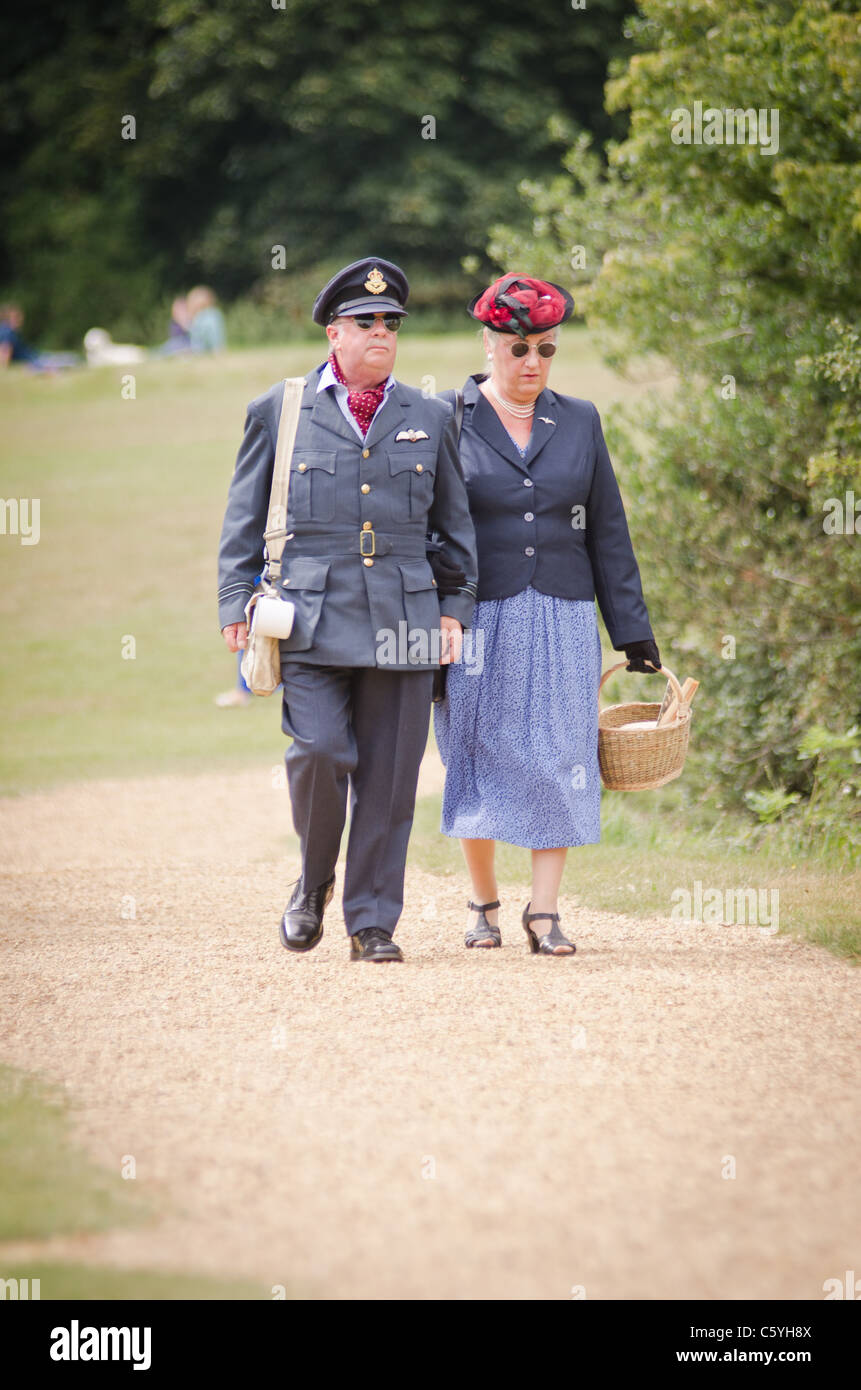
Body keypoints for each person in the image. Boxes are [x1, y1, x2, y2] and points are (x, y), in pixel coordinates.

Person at [217, 258, 477, 962]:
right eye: (366, 323)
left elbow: (455, 530)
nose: (381, 334)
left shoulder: (429, 415)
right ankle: (312, 884)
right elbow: (244, 515)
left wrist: (454, 607)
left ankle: (372, 924)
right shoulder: (282, 408)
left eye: (391, 323)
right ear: (334, 332)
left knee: (391, 781)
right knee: (320, 752)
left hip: (404, 618)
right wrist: (234, 597)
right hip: (309, 614)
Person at [434, 273, 661, 957]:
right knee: (474, 750)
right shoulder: (445, 418)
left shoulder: (581, 419)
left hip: (563, 613)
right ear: (487, 342)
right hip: (474, 620)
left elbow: (608, 532)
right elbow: (430, 531)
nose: (532, 362)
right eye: (518, 347)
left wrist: (632, 632)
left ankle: (544, 911)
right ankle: (482, 902)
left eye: (546, 349)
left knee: (561, 754)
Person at [187, 286, 226, 353]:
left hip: (201, 348)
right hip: (213, 347)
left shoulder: (203, 317)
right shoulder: (215, 314)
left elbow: (196, 336)